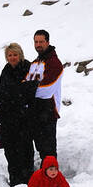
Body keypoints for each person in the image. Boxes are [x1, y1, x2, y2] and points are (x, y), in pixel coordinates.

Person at [0, 42, 34, 186]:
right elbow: (0, 93)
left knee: (26, 150)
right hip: (8, 119)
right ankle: (15, 180)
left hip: (24, 118)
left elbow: (31, 91)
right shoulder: (5, 71)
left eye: (15, 55)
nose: (12, 58)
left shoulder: (29, 68)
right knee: (11, 151)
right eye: (10, 55)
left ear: (20, 55)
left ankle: (29, 179)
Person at [25, 29, 63, 162]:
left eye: (41, 41)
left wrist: (26, 91)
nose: (38, 44)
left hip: (48, 111)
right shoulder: (35, 63)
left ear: (48, 42)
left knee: (48, 149)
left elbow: (47, 89)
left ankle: (52, 179)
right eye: (36, 42)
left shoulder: (54, 63)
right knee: (40, 147)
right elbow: (25, 82)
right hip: (34, 111)